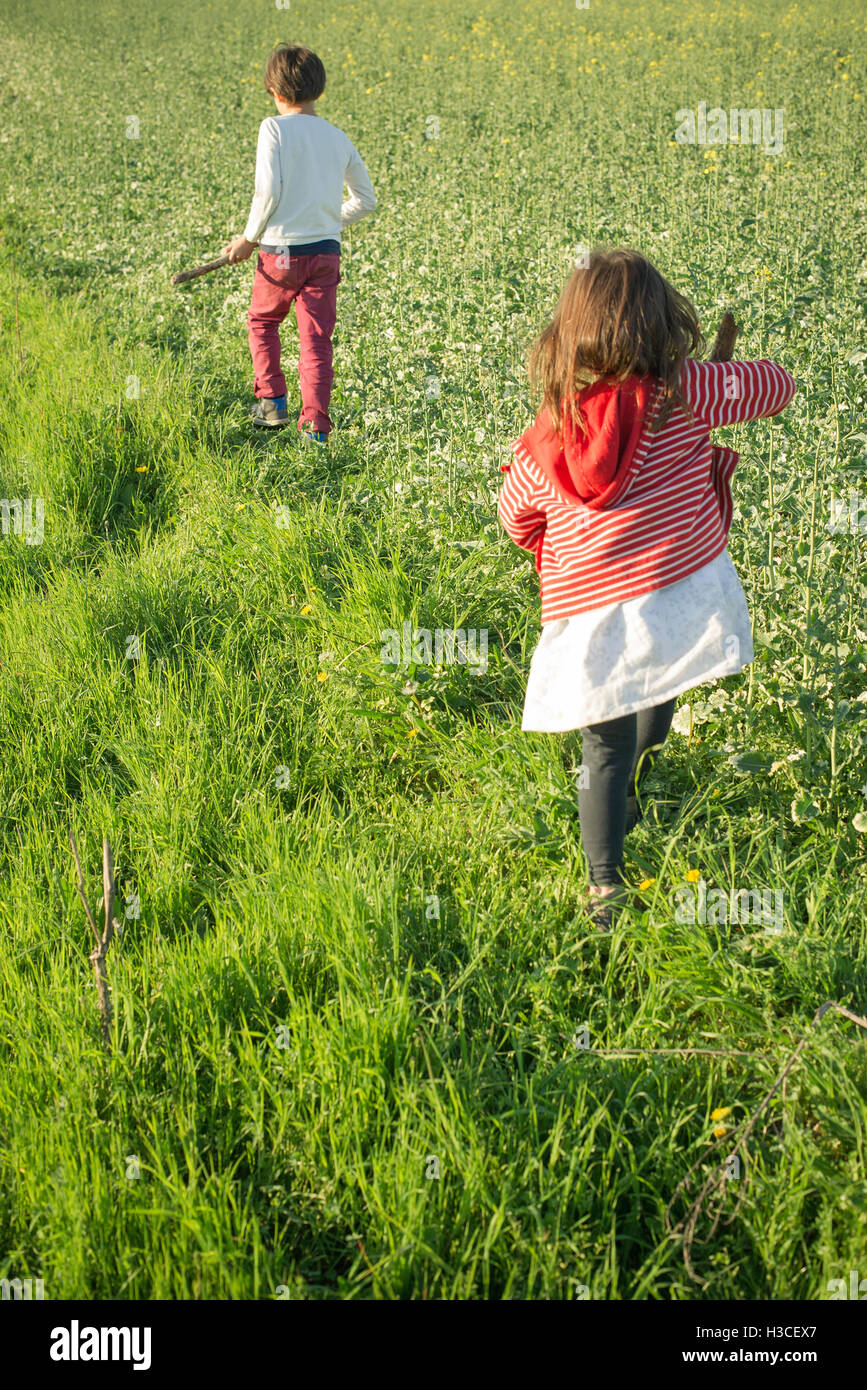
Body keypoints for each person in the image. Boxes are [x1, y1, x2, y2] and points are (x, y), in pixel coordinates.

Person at [498, 249, 797, 929]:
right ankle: (640, 783)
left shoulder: (551, 428)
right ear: (662, 323)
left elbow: (514, 513)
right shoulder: (688, 391)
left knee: (599, 748)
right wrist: (716, 379)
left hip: (588, 613)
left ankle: (603, 885)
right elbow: (776, 387)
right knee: (659, 684)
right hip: (673, 596)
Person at [224, 42, 376, 441]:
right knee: (315, 341)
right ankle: (316, 431)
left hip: (280, 253)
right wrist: (325, 219)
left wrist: (247, 238)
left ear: (274, 92)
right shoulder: (337, 136)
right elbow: (366, 201)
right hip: (326, 252)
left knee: (262, 322)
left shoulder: (273, 128)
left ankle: (272, 405)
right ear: (320, 91)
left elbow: (268, 193)